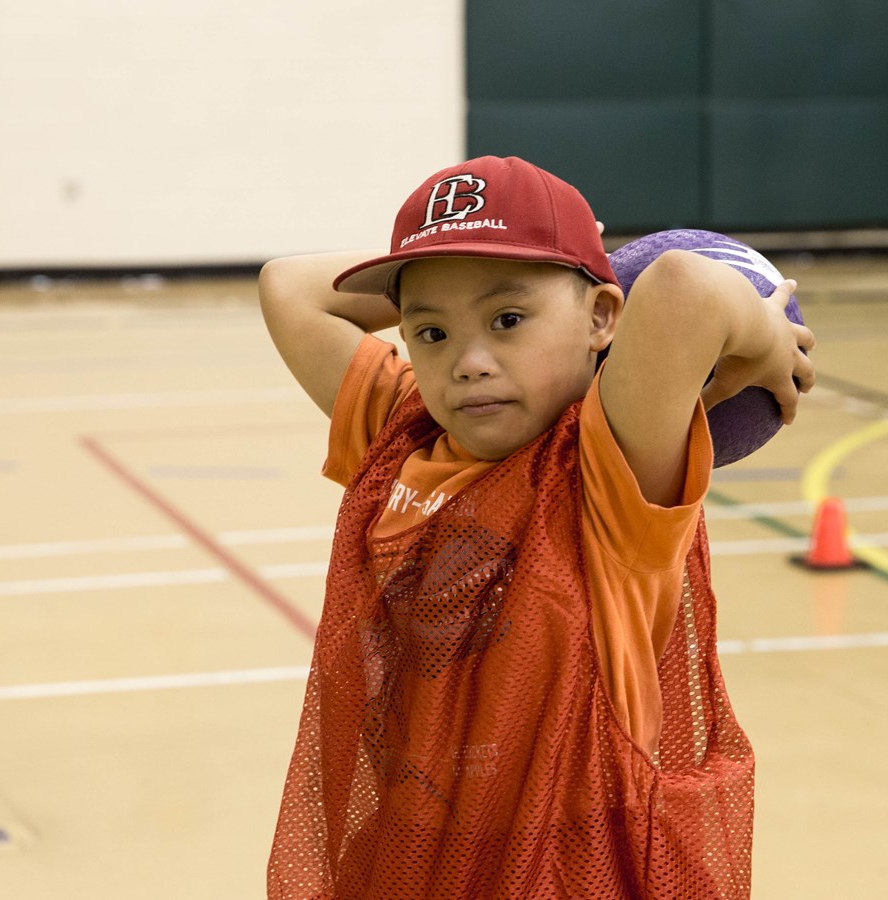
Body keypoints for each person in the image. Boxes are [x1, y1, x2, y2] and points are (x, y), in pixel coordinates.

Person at [260, 155, 815, 899]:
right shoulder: (402, 436)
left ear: (602, 319)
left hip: (567, 867)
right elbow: (287, 288)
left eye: (508, 320)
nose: (470, 362)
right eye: (430, 333)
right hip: (414, 855)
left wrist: (764, 335)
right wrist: (453, 264)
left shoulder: (609, 466)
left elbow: (683, 289)